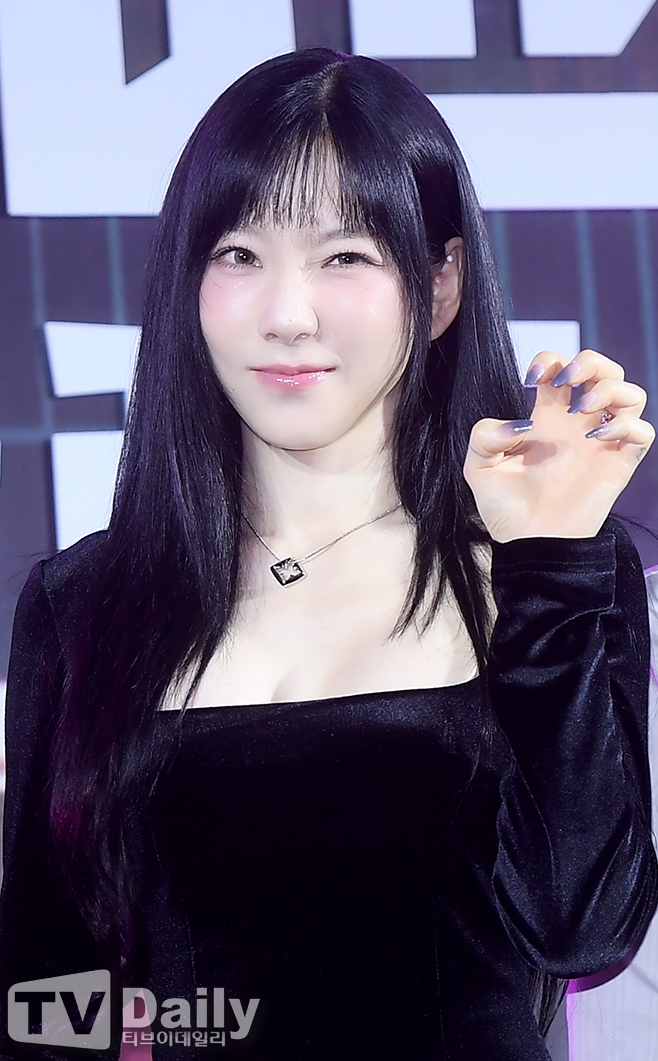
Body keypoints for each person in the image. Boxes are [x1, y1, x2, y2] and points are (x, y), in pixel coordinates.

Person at [0, 47, 656, 1061]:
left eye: (344, 256)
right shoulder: (83, 604)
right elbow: (46, 1006)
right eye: (239, 254)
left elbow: (583, 930)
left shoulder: (541, 569)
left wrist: (550, 561)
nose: (286, 314)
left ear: (439, 283)